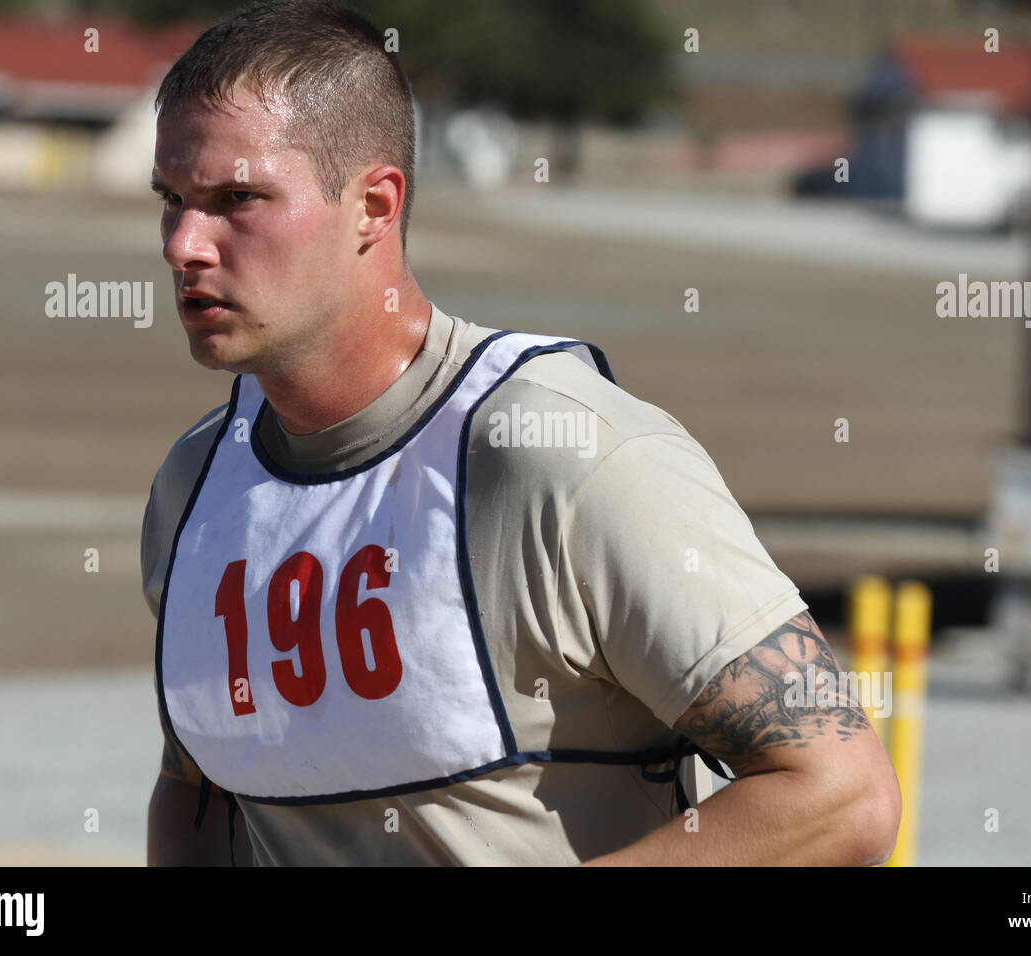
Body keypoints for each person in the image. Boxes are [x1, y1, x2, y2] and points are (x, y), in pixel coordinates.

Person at [142, 0, 900, 866]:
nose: (183, 244)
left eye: (236, 198)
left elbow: (840, 795)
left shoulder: (569, 456)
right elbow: (195, 788)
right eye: (173, 199)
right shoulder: (195, 484)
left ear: (374, 206)